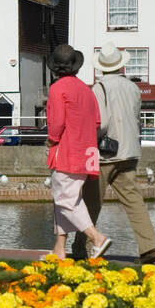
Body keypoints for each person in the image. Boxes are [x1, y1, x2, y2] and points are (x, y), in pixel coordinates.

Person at [83, 42, 155, 265]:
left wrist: (91, 139)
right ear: (121, 66)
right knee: (134, 200)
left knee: (91, 201)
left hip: (106, 153)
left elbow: (101, 122)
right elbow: (136, 118)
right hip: (130, 151)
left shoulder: (99, 88)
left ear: (101, 67)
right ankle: (150, 246)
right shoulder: (133, 88)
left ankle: (83, 247)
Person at [45, 44, 113, 260]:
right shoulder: (86, 89)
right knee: (68, 198)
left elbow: (57, 122)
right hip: (87, 152)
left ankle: (96, 237)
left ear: (54, 68)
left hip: (67, 151)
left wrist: (52, 139)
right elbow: (97, 122)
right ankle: (59, 248)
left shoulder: (57, 88)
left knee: (65, 199)